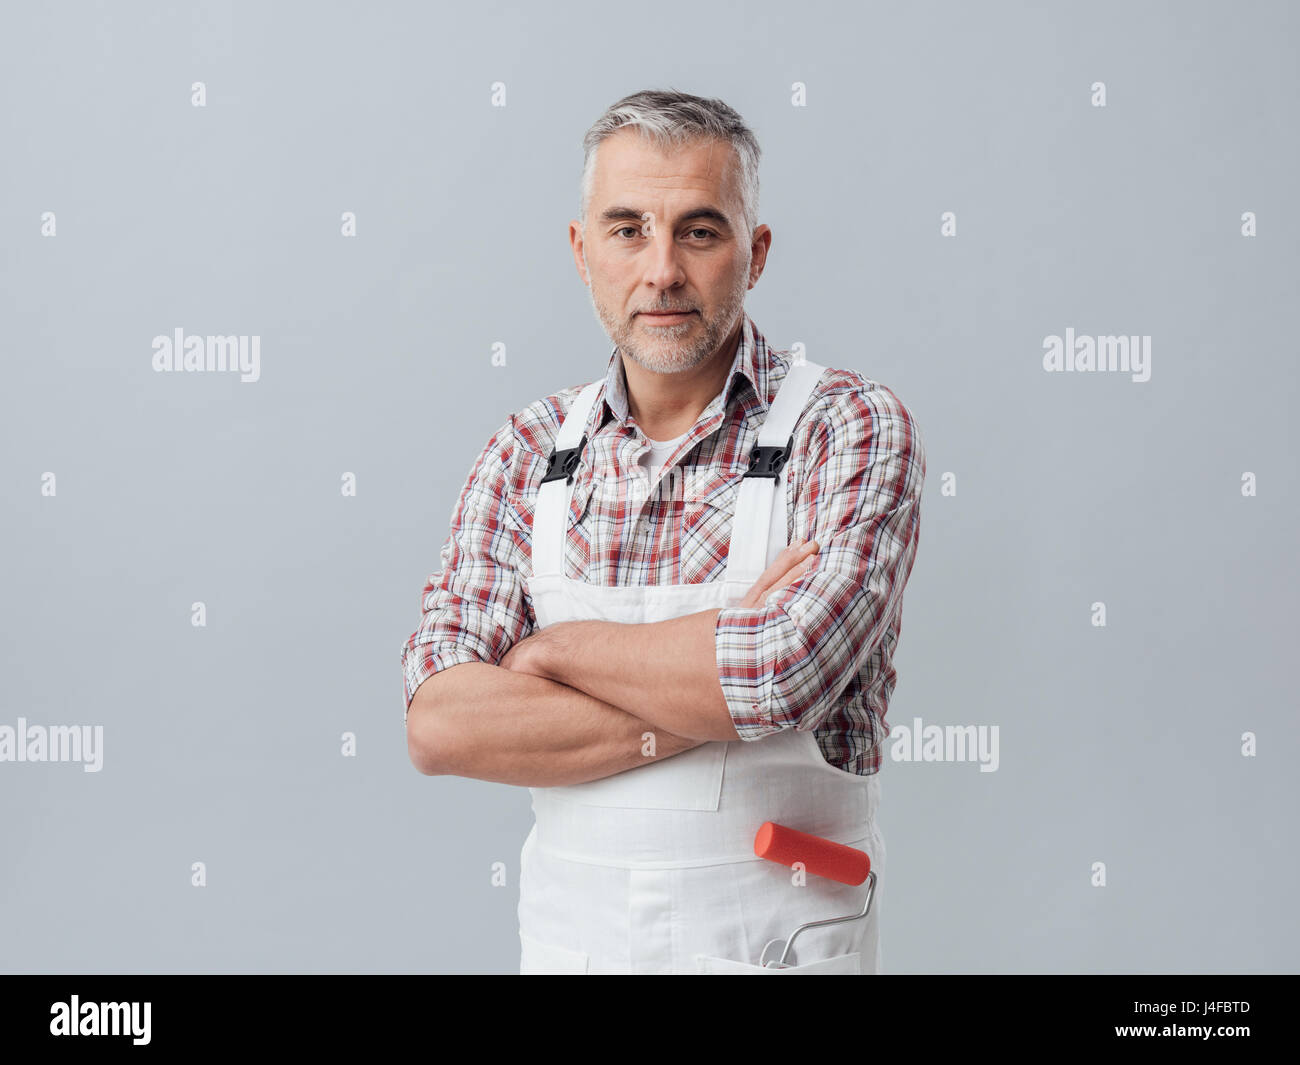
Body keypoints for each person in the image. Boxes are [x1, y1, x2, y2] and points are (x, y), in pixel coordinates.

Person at [401, 88, 926, 974]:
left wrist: (553, 649)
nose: (662, 270)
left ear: (754, 253)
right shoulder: (527, 451)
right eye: (627, 229)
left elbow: (780, 675)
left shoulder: (848, 427)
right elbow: (441, 725)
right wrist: (717, 684)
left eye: (699, 230)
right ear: (581, 252)